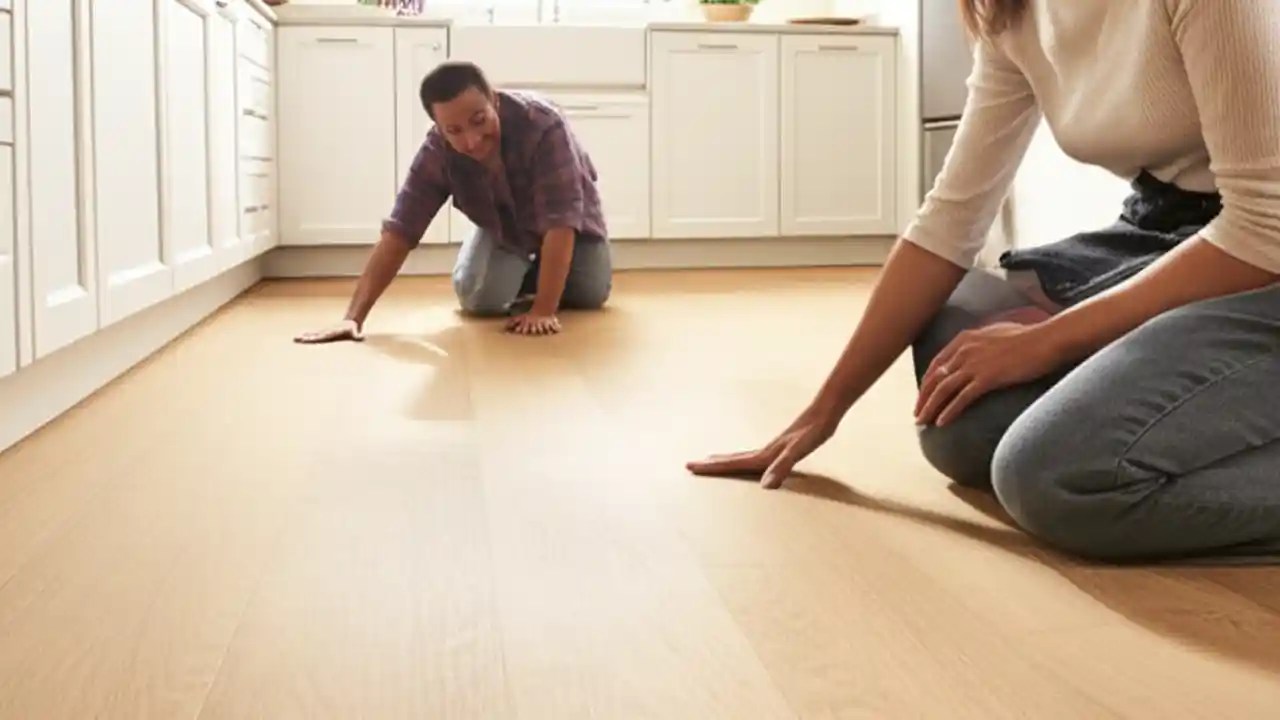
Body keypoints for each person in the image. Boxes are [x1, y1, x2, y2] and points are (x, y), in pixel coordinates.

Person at [689, 0, 1280, 565]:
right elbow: (950, 221)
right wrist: (823, 412)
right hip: (1169, 229)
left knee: (1051, 479)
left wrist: (1052, 340)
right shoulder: (1010, 12)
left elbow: (1262, 226)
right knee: (962, 427)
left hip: (1260, 245)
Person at [296, 61, 612, 341]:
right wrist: (352, 318)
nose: (472, 141)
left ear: (494, 99)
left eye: (479, 120)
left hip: (570, 223)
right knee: (480, 298)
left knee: (589, 293)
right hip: (502, 226)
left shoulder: (543, 124)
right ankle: (517, 265)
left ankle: (540, 273)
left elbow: (561, 219)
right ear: (438, 128)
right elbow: (400, 230)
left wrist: (543, 310)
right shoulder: (437, 152)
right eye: (454, 130)